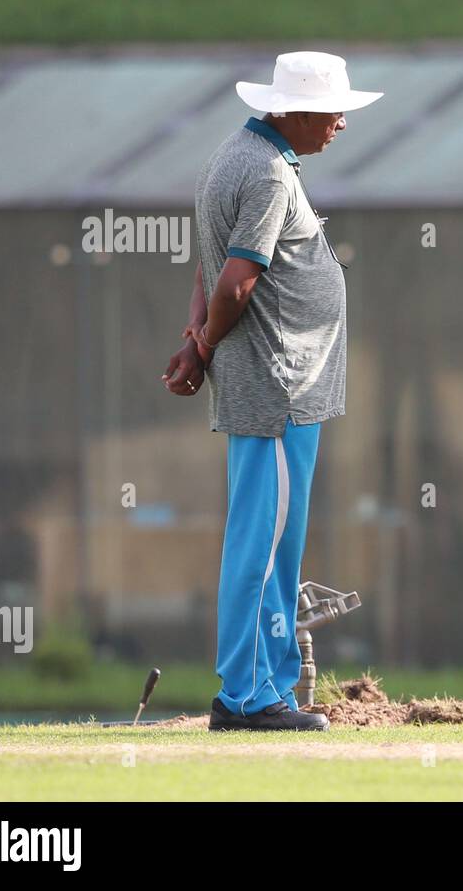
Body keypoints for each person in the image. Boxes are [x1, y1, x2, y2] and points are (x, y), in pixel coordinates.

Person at [161, 51, 382, 732]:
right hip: (278, 390)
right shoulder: (264, 172)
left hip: (280, 389)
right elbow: (233, 281)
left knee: (270, 543)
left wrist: (197, 338)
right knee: (263, 546)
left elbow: (211, 268)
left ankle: (266, 686)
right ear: (293, 112)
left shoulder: (243, 155)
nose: (342, 122)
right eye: (332, 111)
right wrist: (201, 345)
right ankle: (249, 696)